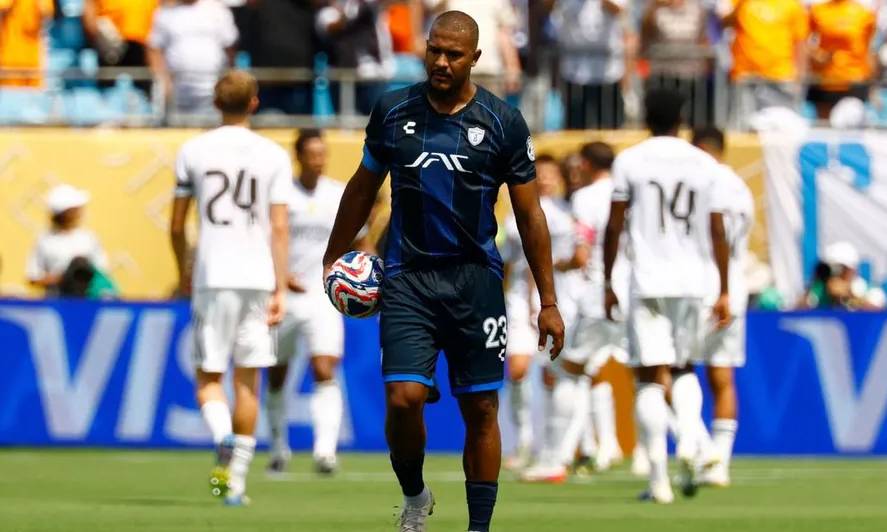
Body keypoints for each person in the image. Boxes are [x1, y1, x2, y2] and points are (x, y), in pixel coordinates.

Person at [322, 11, 564, 532]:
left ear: (475, 58)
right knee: (403, 398)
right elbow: (362, 188)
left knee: (481, 409)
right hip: (407, 279)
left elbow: (530, 215)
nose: (441, 61)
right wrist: (332, 256)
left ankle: (479, 527)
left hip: (476, 283)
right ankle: (415, 496)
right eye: (434, 49)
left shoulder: (502, 122)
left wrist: (548, 301)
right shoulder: (393, 111)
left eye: (453, 54)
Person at [603, 88, 731, 504]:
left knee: (647, 378)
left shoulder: (630, 160)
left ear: (646, 118)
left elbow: (614, 225)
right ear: (681, 119)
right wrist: (724, 287)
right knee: (684, 367)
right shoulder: (703, 163)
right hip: (694, 280)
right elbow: (717, 229)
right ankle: (691, 440)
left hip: (647, 278)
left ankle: (658, 480)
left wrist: (607, 281)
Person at [169, 70, 291, 506]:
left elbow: (176, 224)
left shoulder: (193, 150)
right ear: (254, 103)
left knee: (208, 379)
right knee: (248, 381)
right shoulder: (273, 155)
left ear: (215, 103)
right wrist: (280, 287)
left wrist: (183, 269)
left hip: (213, 273)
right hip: (258, 276)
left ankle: (222, 435)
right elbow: (280, 227)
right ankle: (235, 483)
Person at [265, 129, 351, 476]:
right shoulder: (281, 195)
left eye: (322, 153)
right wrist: (279, 275)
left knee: (324, 368)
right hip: (283, 296)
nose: (318, 160)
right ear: (298, 156)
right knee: (277, 374)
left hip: (323, 295)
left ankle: (324, 451)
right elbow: (265, 238)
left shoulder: (337, 193)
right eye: (312, 154)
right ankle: (277, 447)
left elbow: (358, 240)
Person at [499, 154, 583, 479]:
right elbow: (509, 262)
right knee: (518, 369)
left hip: (557, 301)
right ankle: (522, 441)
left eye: (551, 174)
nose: (545, 179)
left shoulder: (568, 213)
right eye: (540, 174)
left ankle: (552, 446)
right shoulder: (515, 215)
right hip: (520, 301)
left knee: (553, 376)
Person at [552, 141, 627, 475]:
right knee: (653, 375)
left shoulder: (585, 198)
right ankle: (694, 444)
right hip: (636, 292)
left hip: (599, 293)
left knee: (570, 371)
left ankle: (556, 457)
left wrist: (559, 265)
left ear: (584, 164)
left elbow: (583, 255)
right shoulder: (630, 191)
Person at [691, 126, 753, 488]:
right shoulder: (741, 188)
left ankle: (702, 449)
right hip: (734, 291)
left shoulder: (703, 183)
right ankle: (720, 461)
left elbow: (715, 235)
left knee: (672, 370)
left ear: (700, 149)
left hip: (699, 286)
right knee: (722, 377)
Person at [719, 0, 809, 127]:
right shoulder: (740, 2)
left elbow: (800, 42)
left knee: (782, 127)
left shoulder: (792, 4)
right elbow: (723, 24)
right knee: (743, 129)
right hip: (745, 77)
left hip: (780, 77)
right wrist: (739, 8)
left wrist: (800, 78)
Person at [147, 0, 238, 117]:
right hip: (177, 93)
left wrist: (228, 83)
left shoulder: (219, 10)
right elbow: (154, 49)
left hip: (213, 92)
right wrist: (163, 81)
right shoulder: (165, 13)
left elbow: (230, 48)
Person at [549, 0, 629, 129]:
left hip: (607, 72)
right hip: (573, 72)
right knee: (575, 128)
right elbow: (547, 7)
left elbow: (619, 9)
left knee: (610, 127)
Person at [27, 184, 109, 296]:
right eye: (75, 209)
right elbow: (33, 277)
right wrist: (63, 279)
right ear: (65, 212)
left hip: (88, 302)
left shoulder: (88, 238)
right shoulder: (44, 240)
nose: (79, 211)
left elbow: (102, 272)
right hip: (56, 302)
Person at [807, 0, 876, 119]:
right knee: (824, 126)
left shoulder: (864, 13)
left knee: (853, 124)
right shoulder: (818, 11)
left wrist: (872, 83)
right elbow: (802, 41)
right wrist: (817, 56)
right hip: (826, 81)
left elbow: (869, 49)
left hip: (854, 80)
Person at [83, 0, 158, 91]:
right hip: (112, 45)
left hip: (142, 44)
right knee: (109, 89)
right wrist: (98, 36)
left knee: (143, 88)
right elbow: (89, 15)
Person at [0, 0, 54, 87]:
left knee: (34, 94)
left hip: (32, 62)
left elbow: (46, 13)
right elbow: (3, 7)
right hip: (9, 61)